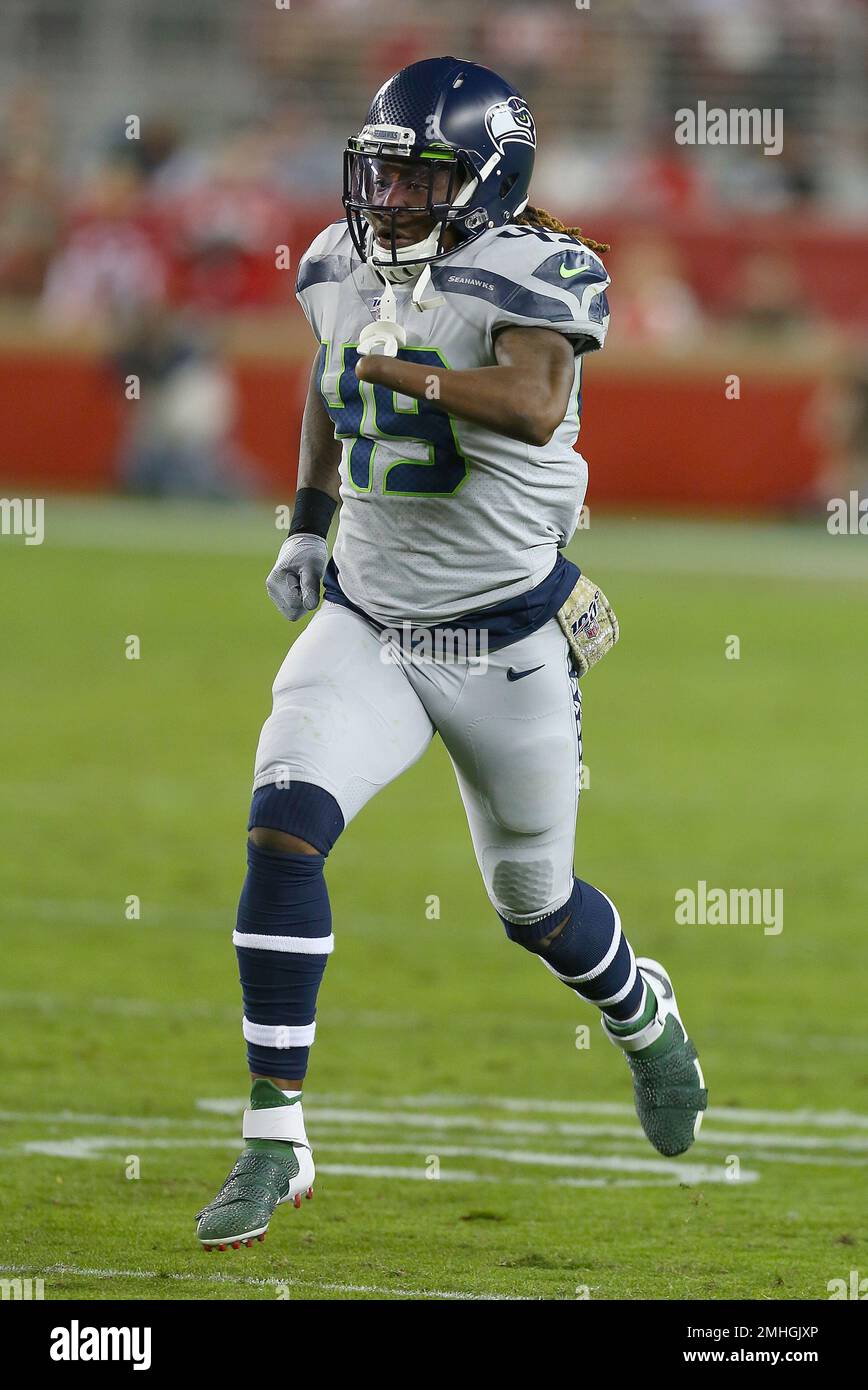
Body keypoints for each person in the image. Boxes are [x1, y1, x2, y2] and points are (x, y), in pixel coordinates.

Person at [195, 56, 707, 1251]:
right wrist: (309, 524)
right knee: (282, 824)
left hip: (506, 642)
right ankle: (275, 1134)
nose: (391, 199)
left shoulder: (538, 267)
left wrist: (390, 367)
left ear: (485, 181)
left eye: (421, 178)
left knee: (535, 908)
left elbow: (530, 400)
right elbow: (329, 383)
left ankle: (641, 1013)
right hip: (369, 619)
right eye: (382, 173)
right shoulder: (339, 263)